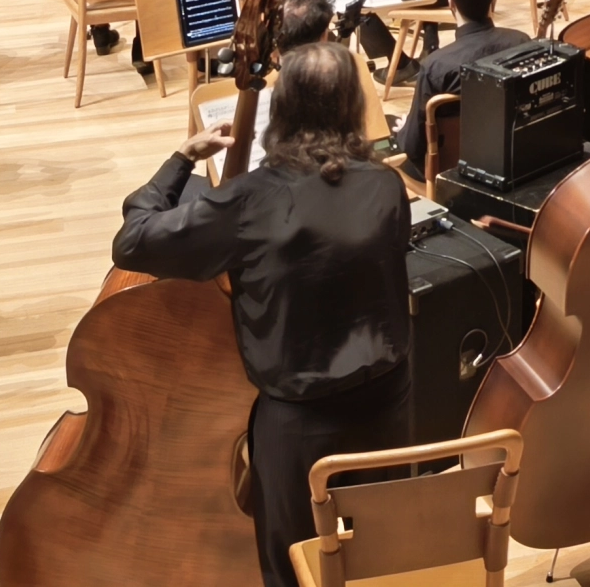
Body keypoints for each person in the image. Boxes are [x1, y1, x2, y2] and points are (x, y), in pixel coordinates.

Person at [113, 40, 412, 587]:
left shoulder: (248, 202)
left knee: (293, 567)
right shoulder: (387, 186)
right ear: (352, 106)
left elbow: (132, 243)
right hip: (390, 405)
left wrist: (182, 160)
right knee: (382, 560)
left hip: (300, 428)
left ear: (282, 111)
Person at [390, 0, 525, 163]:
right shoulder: (522, 43)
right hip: (510, 158)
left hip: (450, 168)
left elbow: (413, 148)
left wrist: (404, 131)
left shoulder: (436, 67)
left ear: (450, 1)